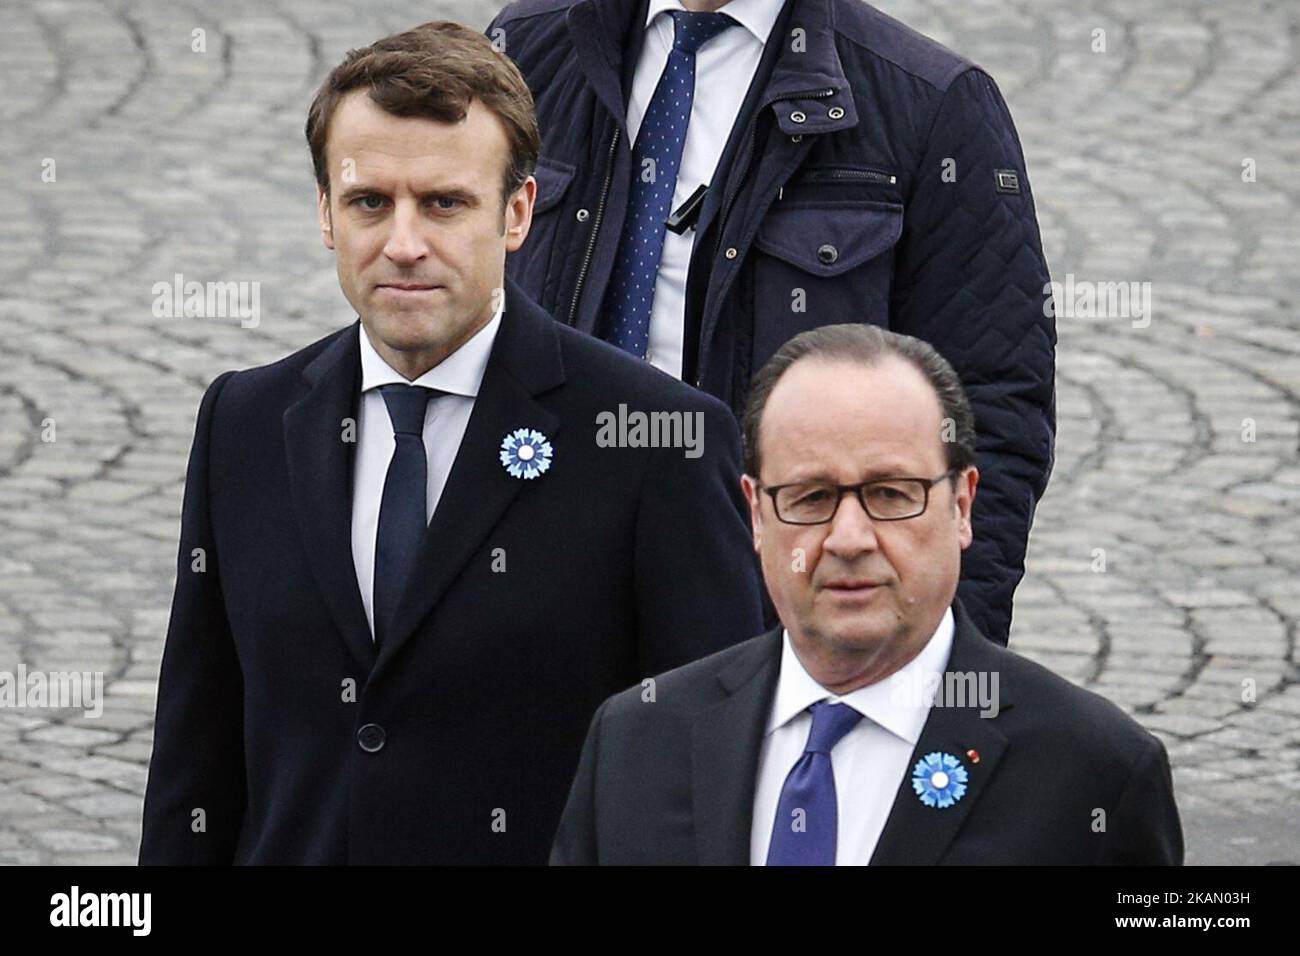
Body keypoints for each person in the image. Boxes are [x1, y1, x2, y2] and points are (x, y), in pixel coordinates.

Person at [138, 21, 763, 866]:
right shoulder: (243, 424)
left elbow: (707, 769)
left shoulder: (661, 443)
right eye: (370, 202)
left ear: (517, 212)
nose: (403, 244)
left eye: (444, 203)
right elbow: (196, 759)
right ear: (325, 211)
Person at [485, 0, 1056, 646]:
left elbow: (994, 414)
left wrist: (938, 669)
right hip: (543, 602)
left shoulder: (931, 104)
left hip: (764, 630)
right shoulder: (525, 49)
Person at [550, 325, 1182, 865]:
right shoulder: (636, 742)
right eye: (810, 497)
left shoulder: (1094, 775)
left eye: (891, 493)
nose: (848, 538)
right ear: (757, 515)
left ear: (961, 505)